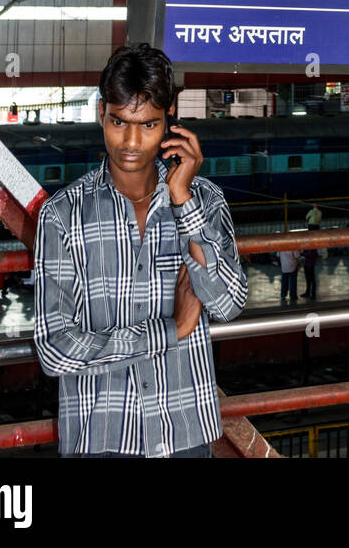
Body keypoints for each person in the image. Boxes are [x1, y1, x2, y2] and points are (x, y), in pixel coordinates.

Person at [33, 42, 247, 459]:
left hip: (184, 432)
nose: (131, 142)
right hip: (101, 437)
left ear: (169, 122)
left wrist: (183, 201)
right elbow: (55, 350)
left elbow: (228, 303)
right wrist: (173, 330)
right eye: (118, 122)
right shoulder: (62, 215)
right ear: (100, 114)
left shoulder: (204, 201)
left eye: (148, 125)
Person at [301, 227, 319, 300]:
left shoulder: (311, 245)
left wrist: (303, 254)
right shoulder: (310, 244)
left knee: (311, 279)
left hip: (309, 263)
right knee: (309, 279)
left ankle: (312, 293)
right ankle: (309, 292)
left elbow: (311, 254)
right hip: (308, 263)